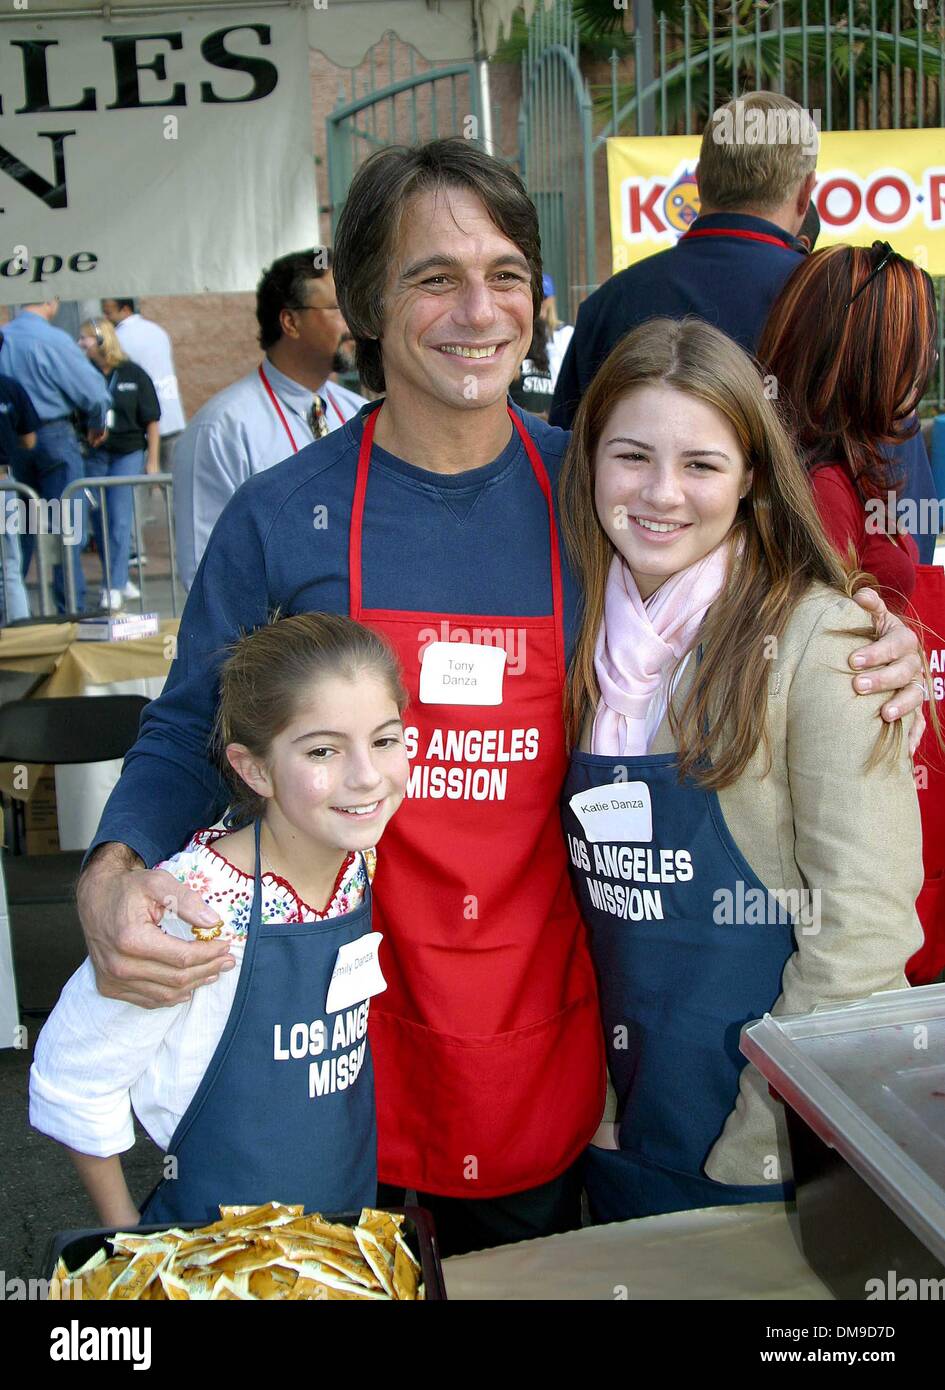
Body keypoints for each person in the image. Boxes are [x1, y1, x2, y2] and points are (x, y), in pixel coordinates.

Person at [74, 139, 924, 1259]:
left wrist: (879, 631)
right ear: (369, 300)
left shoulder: (600, 490)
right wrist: (115, 862)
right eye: (434, 278)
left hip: (544, 1044)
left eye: (506, 275)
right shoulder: (284, 518)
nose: (478, 311)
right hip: (319, 1037)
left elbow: (761, 581)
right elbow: (192, 725)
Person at [559, 316, 926, 1224]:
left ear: (752, 475)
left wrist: (763, 1130)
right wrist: (594, 1103)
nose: (660, 494)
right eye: (631, 456)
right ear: (590, 461)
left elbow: (865, 932)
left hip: (762, 1141)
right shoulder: (572, 634)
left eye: (701, 465)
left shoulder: (823, 644)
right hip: (617, 1125)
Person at [30, 612, 407, 1228]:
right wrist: (129, 1241)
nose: (367, 775)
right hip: (213, 1254)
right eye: (322, 750)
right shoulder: (196, 907)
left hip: (342, 1229)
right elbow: (74, 1073)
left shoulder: (359, 857)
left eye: (385, 740)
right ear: (254, 769)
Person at [548, 92, 940, 564]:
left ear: (699, 182)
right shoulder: (852, 311)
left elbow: (568, 479)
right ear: (805, 192)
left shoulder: (607, 306)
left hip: (628, 605)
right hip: (810, 607)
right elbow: (906, 525)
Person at [758, 242, 938, 611]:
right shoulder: (824, 491)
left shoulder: (839, 469)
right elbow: (814, 654)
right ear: (872, 357)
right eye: (914, 345)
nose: (929, 357)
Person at [172, 250, 367, 590]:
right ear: (290, 322)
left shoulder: (356, 413)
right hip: (273, 637)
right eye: (338, 309)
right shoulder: (221, 429)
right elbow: (205, 573)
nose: (355, 324)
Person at [1, 301, 111, 613]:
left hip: (12, 440)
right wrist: (96, 423)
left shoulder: (5, 337)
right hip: (53, 435)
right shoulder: (54, 340)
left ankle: (12, 613)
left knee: (14, 530)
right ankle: (68, 610)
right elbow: (95, 393)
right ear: (50, 302)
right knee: (65, 526)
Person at [78, 318, 161, 612]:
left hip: (127, 452)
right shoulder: (82, 373)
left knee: (119, 517)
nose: (80, 344)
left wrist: (152, 460)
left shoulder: (133, 373)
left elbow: (151, 419)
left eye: (85, 338)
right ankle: (118, 576)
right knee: (100, 521)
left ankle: (113, 585)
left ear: (102, 341)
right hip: (96, 454)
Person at [101, 298, 186, 469]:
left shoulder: (119, 338)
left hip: (145, 422)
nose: (105, 317)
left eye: (109, 312)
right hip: (172, 416)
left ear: (125, 309)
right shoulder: (157, 331)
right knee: (173, 484)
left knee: (146, 486)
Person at [0, 366, 37, 622]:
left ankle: (18, 629)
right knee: (9, 565)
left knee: (9, 565)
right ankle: (19, 631)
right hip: (4, 482)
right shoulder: (10, 386)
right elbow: (29, 440)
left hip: (5, 484)